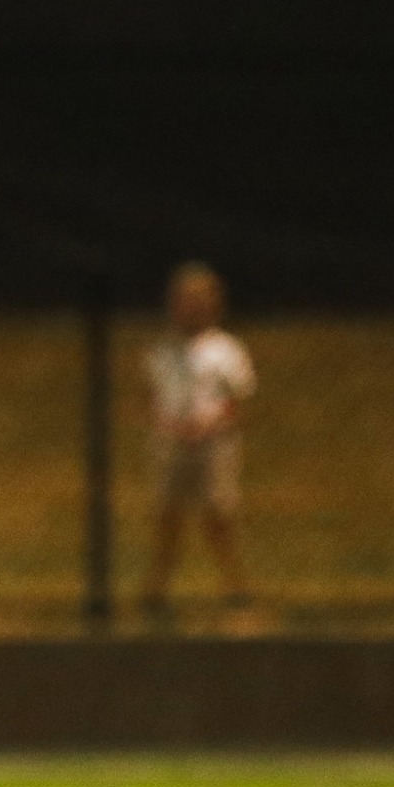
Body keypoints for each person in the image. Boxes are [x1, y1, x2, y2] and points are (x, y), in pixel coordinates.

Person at [139, 261, 254, 612]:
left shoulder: (225, 349)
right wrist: (169, 425)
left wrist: (210, 425)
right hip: (171, 441)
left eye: (201, 300)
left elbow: (237, 398)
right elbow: (151, 397)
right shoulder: (162, 352)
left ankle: (234, 582)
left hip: (214, 443)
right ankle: (158, 584)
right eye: (185, 300)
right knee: (168, 514)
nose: (193, 308)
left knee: (218, 513)